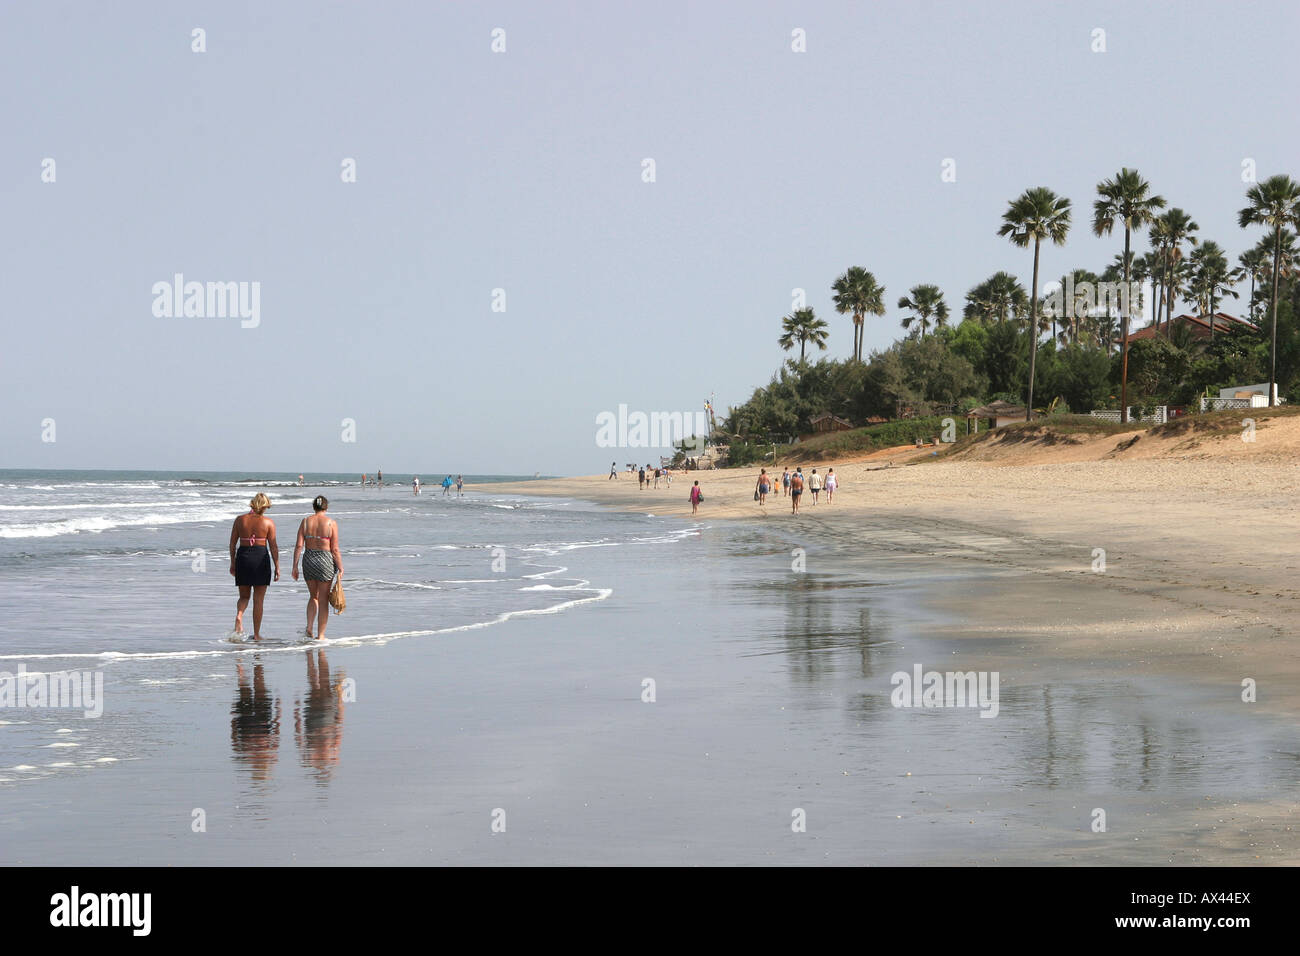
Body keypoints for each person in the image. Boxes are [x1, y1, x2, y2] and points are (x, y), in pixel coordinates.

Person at [293, 495, 344, 641]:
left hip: (308, 559)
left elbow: (298, 546)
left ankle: (309, 627)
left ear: (314, 507)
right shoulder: (331, 523)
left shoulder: (305, 522)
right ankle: (320, 635)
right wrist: (341, 567)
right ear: (326, 507)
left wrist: (294, 566)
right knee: (323, 599)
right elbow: (334, 549)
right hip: (325, 561)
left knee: (313, 596)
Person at [229, 493, 279, 639]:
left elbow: (232, 544)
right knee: (258, 600)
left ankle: (239, 615)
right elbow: (274, 547)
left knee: (244, 596)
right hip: (260, 558)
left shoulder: (240, 520)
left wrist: (233, 562)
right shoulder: (268, 522)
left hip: (243, 557)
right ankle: (256, 634)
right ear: (264, 506)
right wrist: (277, 566)